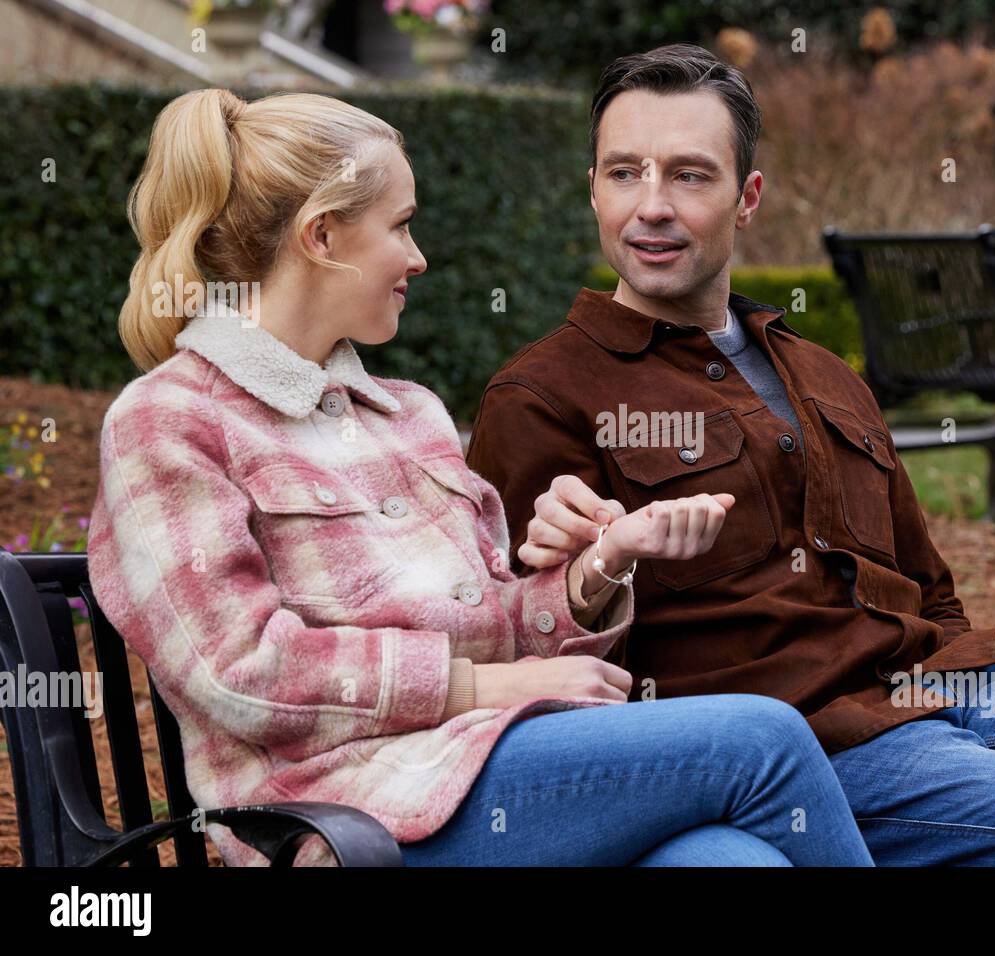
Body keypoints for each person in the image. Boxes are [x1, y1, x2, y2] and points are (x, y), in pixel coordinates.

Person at [465, 44, 995, 866]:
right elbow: (535, 666)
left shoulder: (822, 372)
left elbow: (933, 589)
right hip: (825, 744)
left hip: (964, 692)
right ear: (593, 189)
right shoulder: (544, 396)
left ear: (746, 197)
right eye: (623, 173)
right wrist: (599, 566)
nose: (651, 206)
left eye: (689, 175)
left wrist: (986, 722)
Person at [86, 88, 874, 868]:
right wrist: (477, 691)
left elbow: (490, 626)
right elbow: (242, 674)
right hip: (345, 817)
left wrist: (601, 564)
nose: (418, 257)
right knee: (760, 738)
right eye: (400, 225)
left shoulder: (410, 416)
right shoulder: (168, 423)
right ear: (322, 236)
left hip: (487, 769)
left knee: (726, 860)